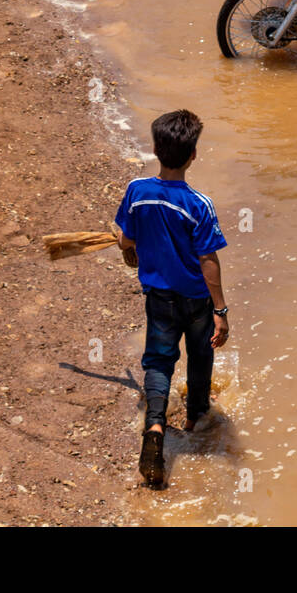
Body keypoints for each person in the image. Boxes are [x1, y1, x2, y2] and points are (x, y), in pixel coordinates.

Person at [114, 109, 230, 489]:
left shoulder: (138, 191)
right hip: (196, 300)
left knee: (160, 361)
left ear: (154, 149)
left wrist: (129, 251)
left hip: (159, 298)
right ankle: (196, 417)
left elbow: (126, 238)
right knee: (200, 356)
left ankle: (155, 427)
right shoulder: (200, 205)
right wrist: (221, 310)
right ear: (193, 154)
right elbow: (208, 260)